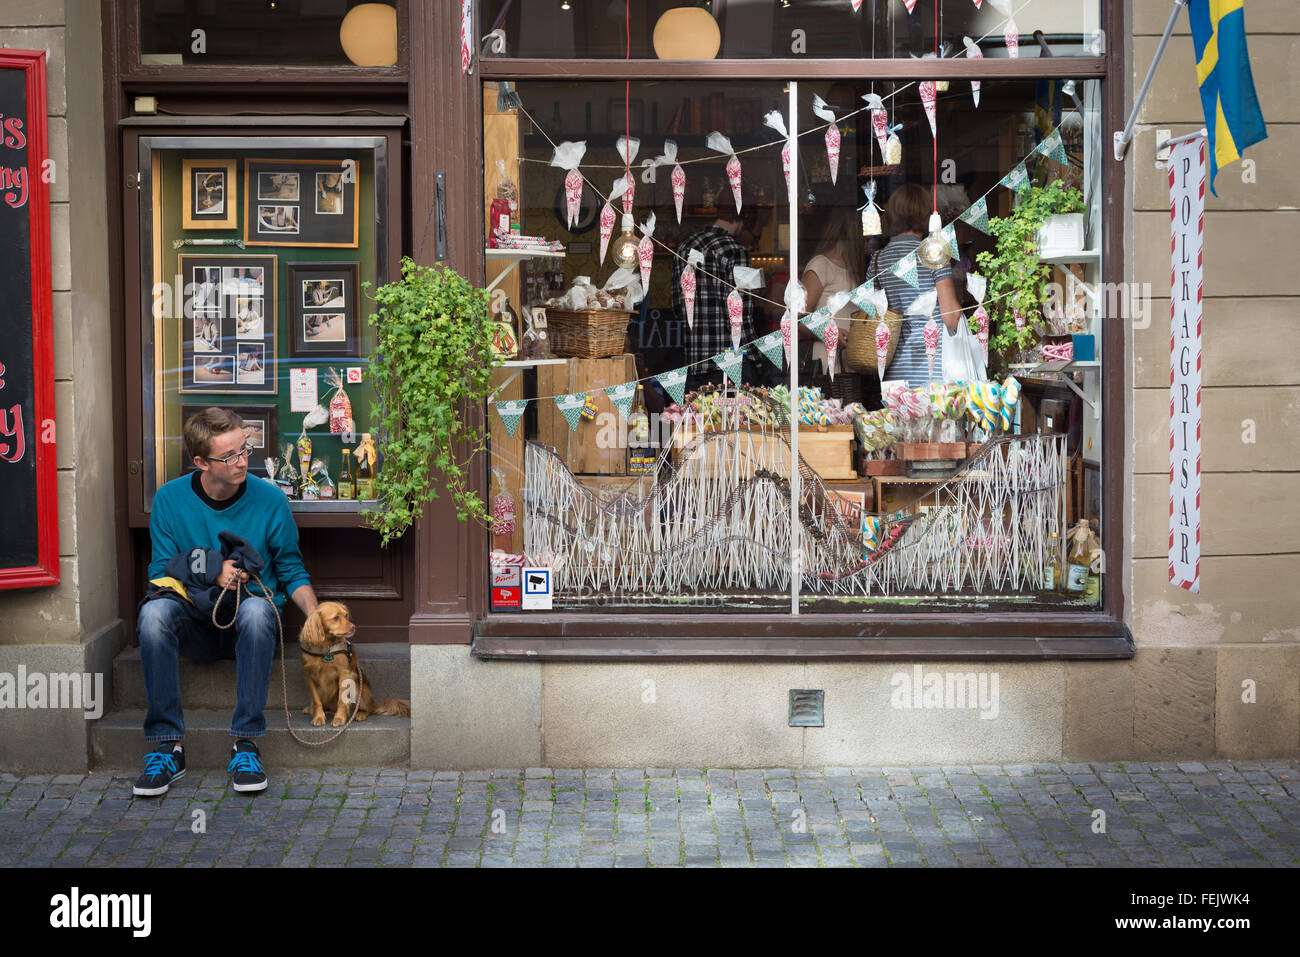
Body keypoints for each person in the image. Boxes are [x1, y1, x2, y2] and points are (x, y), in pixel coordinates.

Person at [133, 408, 318, 797]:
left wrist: (315, 618)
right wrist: (212, 571)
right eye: (229, 455)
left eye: (244, 449)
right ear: (200, 462)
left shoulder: (269, 499)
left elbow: (290, 568)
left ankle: (245, 743)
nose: (241, 462)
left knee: (255, 610)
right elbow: (160, 571)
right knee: (152, 615)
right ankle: (168, 746)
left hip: (251, 621)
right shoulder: (170, 499)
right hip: (192, 620)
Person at [876, 184, 965, 386]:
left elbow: (878, 318)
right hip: (934, 368)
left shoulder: (877, 260)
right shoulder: (932, 253)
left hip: (894, 372)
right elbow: (951, 317)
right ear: (924, 215)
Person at [672, 207, 767, 394]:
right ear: (744, 218)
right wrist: (757, 359)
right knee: (734, 422)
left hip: (695, 364)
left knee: (699, 422)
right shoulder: (735, 251)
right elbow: (742, 317)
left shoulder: (684, 248)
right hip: (731, 368)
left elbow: (677, 308)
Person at [800, 207, 865, 378]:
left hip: (852, 362)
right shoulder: (821, 265)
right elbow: (798, 318)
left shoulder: (855, 268)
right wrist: (830, 334)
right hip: (828, 360)